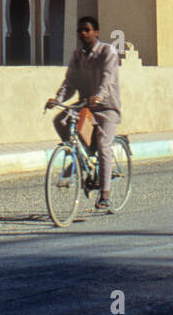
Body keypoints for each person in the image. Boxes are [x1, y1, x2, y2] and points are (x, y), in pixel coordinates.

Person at [45, 16, 121, 212]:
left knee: (104, 145)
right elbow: (69, 82)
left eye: (87, 30)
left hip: (106, 106)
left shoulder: (108, 52)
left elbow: (108, 78)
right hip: (85, 104)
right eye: (80, 31)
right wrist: (58, 99)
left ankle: (104, 194)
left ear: (96, 32)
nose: (83, 34)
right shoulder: (77, 55)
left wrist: (99, 96)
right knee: (60, 120)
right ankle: (79, 156)